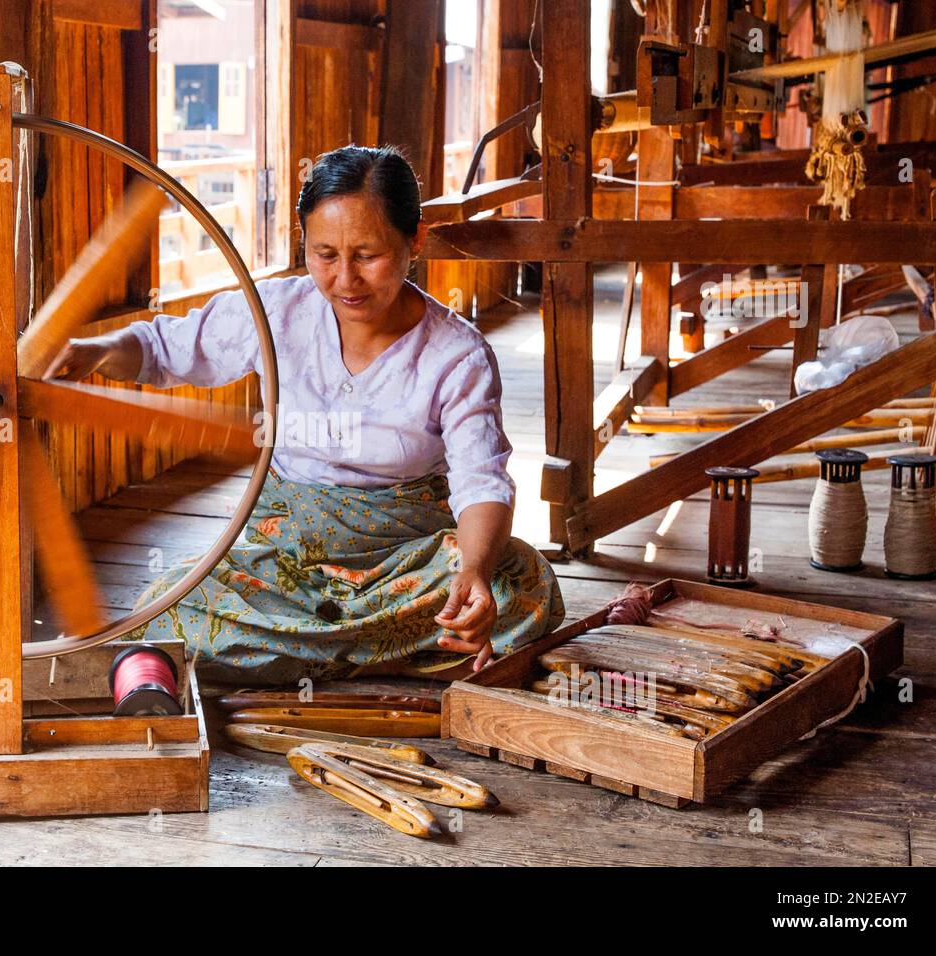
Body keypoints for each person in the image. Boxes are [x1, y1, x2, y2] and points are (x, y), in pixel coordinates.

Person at [58, 145, 565, 685]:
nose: (346, 279)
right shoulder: (276, 311)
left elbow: (480, 480)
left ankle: (298, 653)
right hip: (282, 561)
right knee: (166, 601)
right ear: (304, 242)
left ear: (414, 240)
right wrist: (94, 351)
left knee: (520, 584)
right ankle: (388, 653)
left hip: (403, 563)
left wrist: (472, 573)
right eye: (325, 254)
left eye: (368, 254)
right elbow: (167, 348)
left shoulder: (456, 354)